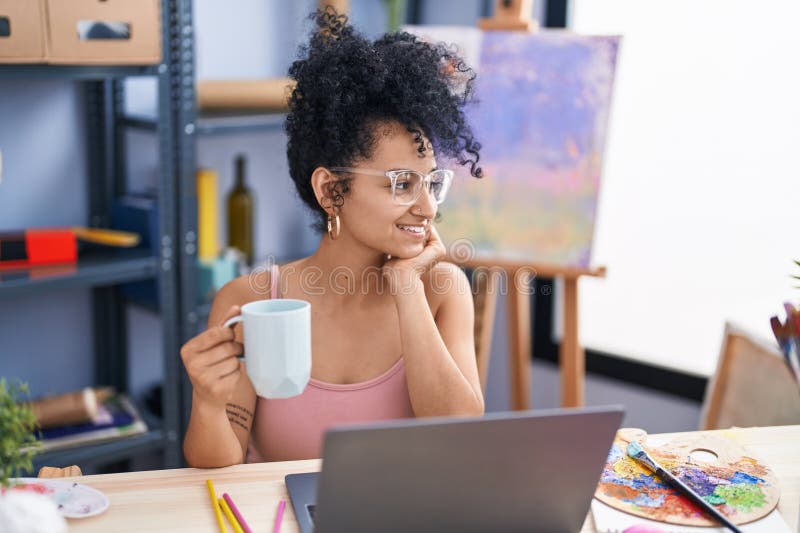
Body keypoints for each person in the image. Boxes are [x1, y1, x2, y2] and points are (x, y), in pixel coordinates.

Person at [181, 8, 484, 467]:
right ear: (330, 189)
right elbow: (220, 463)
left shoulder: (442, 291)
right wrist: (206, 402)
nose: (427, 208)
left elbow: (460, 438)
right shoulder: (250, 302)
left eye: (432, 182)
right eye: (402, 183)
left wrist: (406, 289)